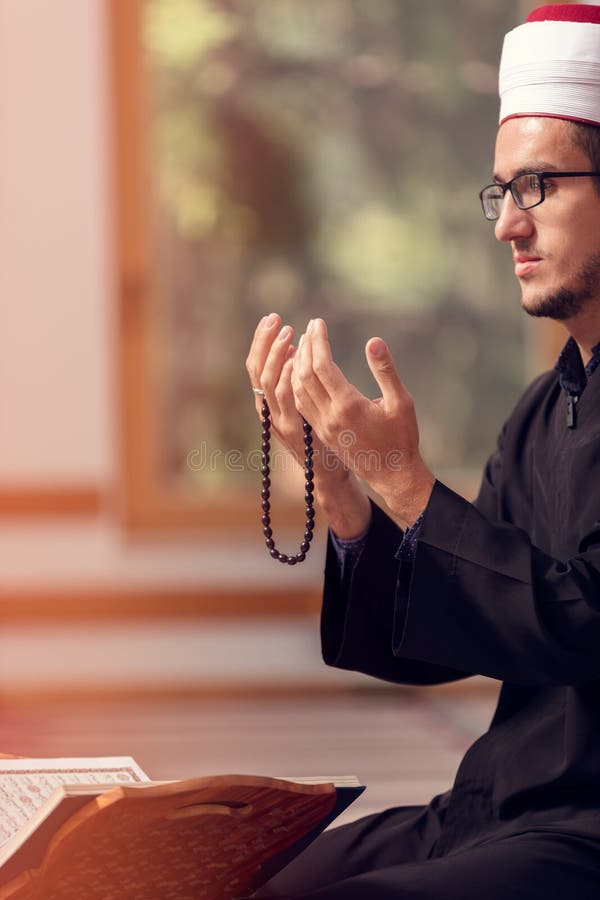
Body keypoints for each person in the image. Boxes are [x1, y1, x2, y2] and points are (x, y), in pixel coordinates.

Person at [246, 5, 600, 898]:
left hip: (586, 828)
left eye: (538, 187)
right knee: (247, 875)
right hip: (498, 806)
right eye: (501, 192)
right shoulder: (541, 408)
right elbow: (461, 627)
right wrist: (351, 493)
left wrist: (406, 479)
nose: (506, 228)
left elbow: (578, 625)